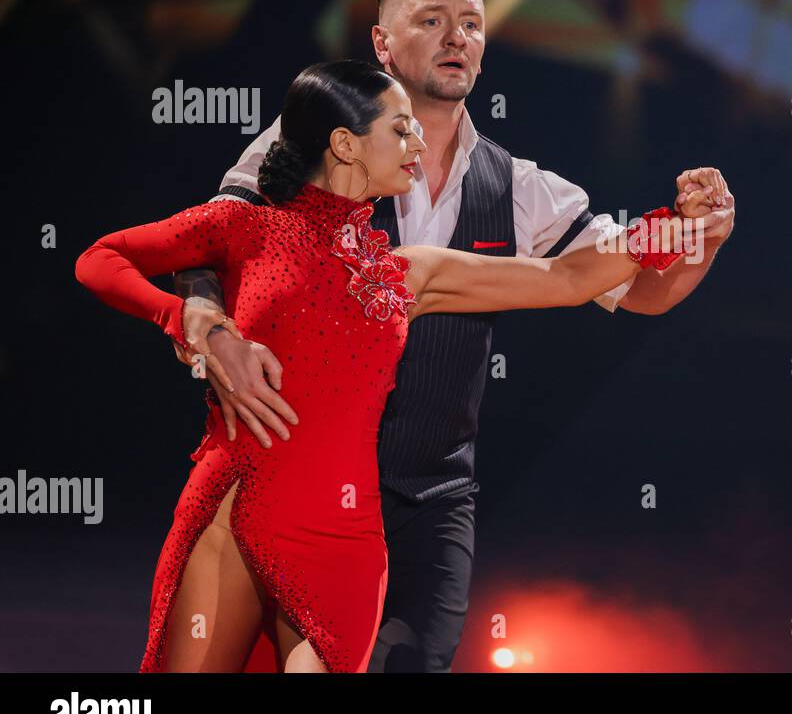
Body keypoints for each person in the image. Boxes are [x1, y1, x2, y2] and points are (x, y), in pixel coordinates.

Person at [172, 0, 736, 672]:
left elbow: (639, 289)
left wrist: (702, 235)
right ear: (381, 42)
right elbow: (200, 245)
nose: (455, 37)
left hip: (431, 497)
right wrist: (209, 330)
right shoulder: (317, 146)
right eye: (431, 20)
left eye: (469, 22)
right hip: (303, 480)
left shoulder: (520, 185)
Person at [75, 60, 710, 672]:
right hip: (232, 513)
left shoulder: (409, 271)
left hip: (343, 541)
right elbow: (101, 259)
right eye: (400, 129)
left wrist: (672, 231)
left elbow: (569, 276)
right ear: (346, 145)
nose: (416, 141)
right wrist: (199, 325)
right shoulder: (246, 225)